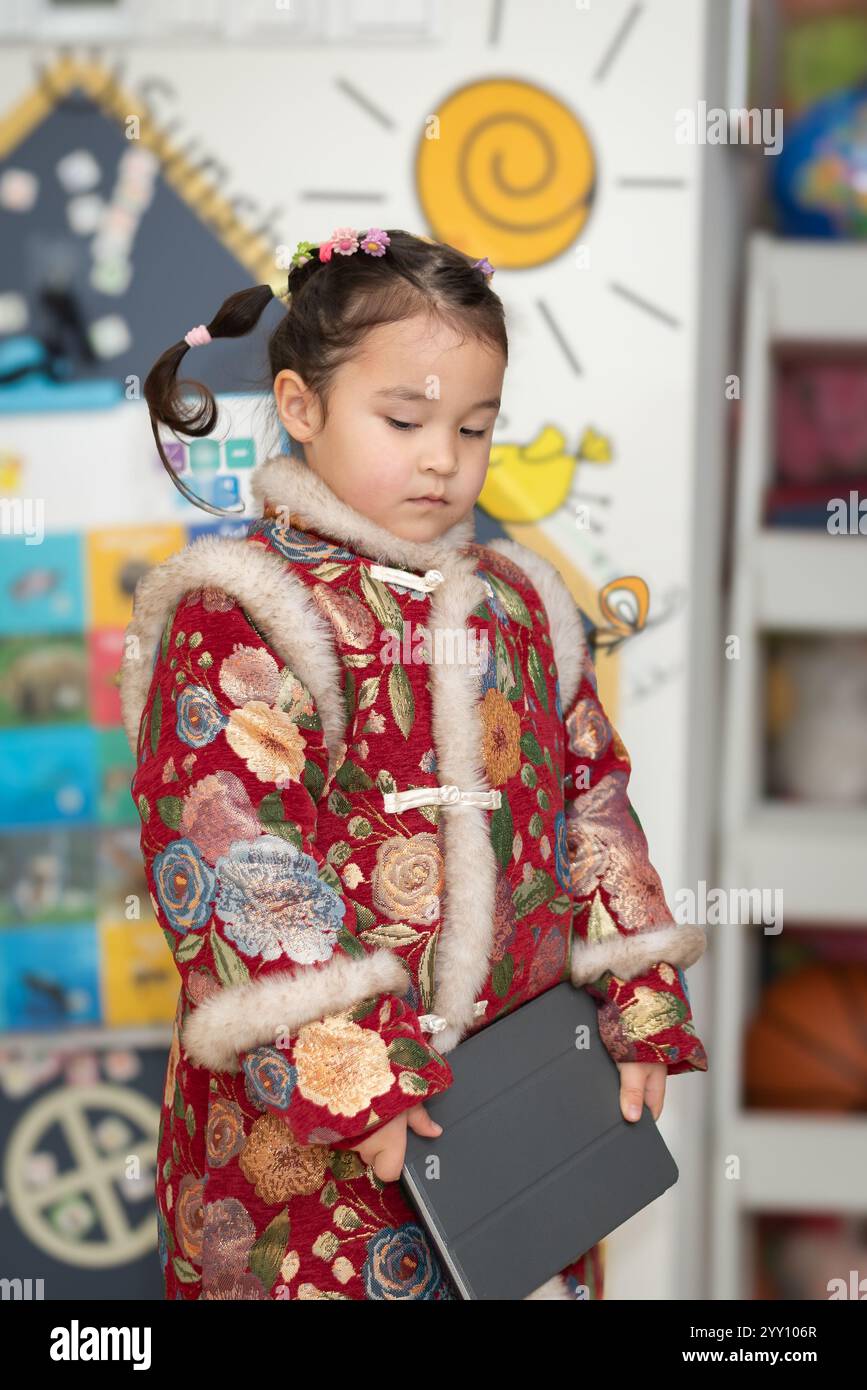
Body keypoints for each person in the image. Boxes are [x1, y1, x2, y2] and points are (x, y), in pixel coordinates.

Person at [119, 226, 708, 1301]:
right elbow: (236, 857)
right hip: (310, 1146)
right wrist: (358, 1074)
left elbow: (595, 810)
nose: (443, 455)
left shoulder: (523, 602)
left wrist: (638, 1003)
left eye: (474, 426)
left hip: (524, 1116)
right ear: (302, 406)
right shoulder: (244, 607)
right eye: (405, 419)